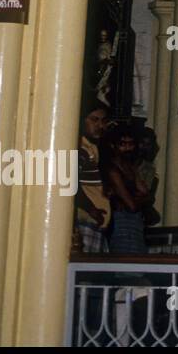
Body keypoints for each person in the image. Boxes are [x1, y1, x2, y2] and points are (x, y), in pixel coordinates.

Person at [101, 123, 152, 255]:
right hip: (120, 221)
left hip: (134, 221)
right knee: (123, 261)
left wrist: (141, 199)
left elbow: (146, 193)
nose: (128, 148)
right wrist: (140, 199)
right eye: (123, 144)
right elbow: (132, 205)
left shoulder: (129, 167)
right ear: (113, 146)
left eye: (131, 144)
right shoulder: (113, 170)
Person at [75, 102, 112, 254]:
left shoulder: (93, 148)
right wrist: (91, 209)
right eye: (94, 120)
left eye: (103, 121)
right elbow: (70, 185)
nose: (100, 125)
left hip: (95, 224)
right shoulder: (80, 149)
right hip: (86, 222)